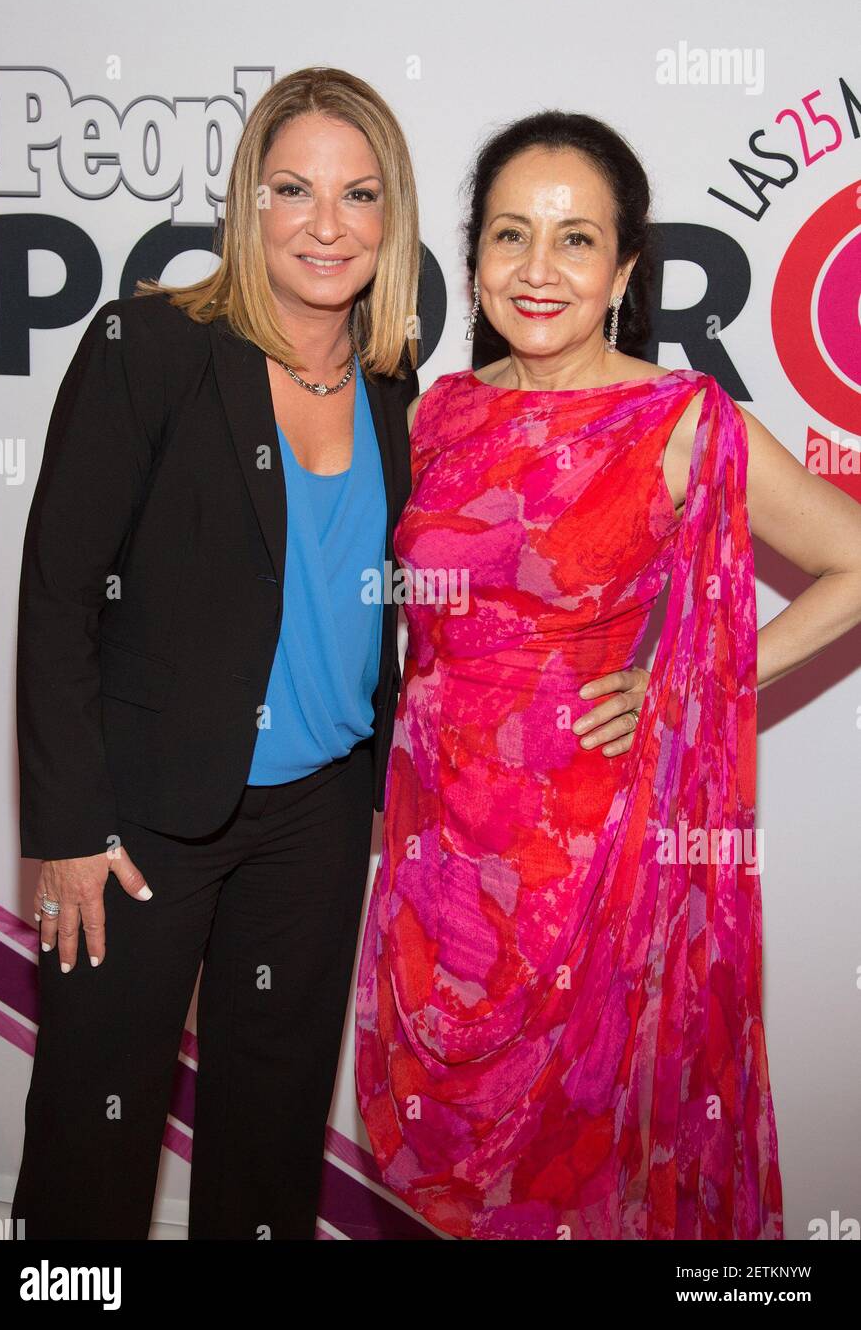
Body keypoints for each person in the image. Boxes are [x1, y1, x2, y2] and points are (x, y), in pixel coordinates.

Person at [354, 110, 861, 1240]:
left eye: (575, 239)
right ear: (473, 258)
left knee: (582, 1177)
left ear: (624, 270)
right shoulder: (438, 412)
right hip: (437, 859)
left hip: (593, 874)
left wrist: (694, 682)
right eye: (510, 235)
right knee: (447, 1174)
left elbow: (855, 560)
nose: (538, 269)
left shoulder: (677, 420)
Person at [10, 66, 421, 1240]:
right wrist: (67, 830)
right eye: (295, 189)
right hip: (143, 820)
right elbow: (58, 593)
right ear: (250, 202)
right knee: (93, 1134)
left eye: (358, 194)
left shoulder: (393, 384)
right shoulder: (151, 344)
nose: (326, 224)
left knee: (272, 1136)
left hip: (320, 817)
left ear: (390, 217)